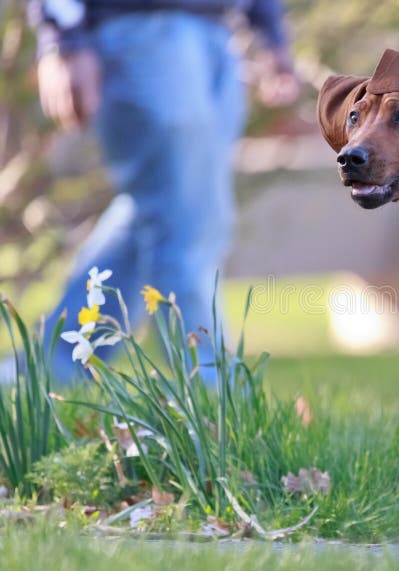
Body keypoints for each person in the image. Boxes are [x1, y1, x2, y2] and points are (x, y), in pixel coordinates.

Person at [3, 0, 299, 383]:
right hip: (138, 29)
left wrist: (271, 31)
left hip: (217, 30)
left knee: (160, 210)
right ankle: (210, 402)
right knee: (190, 225)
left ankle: (52, 367)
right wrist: (62, 37)